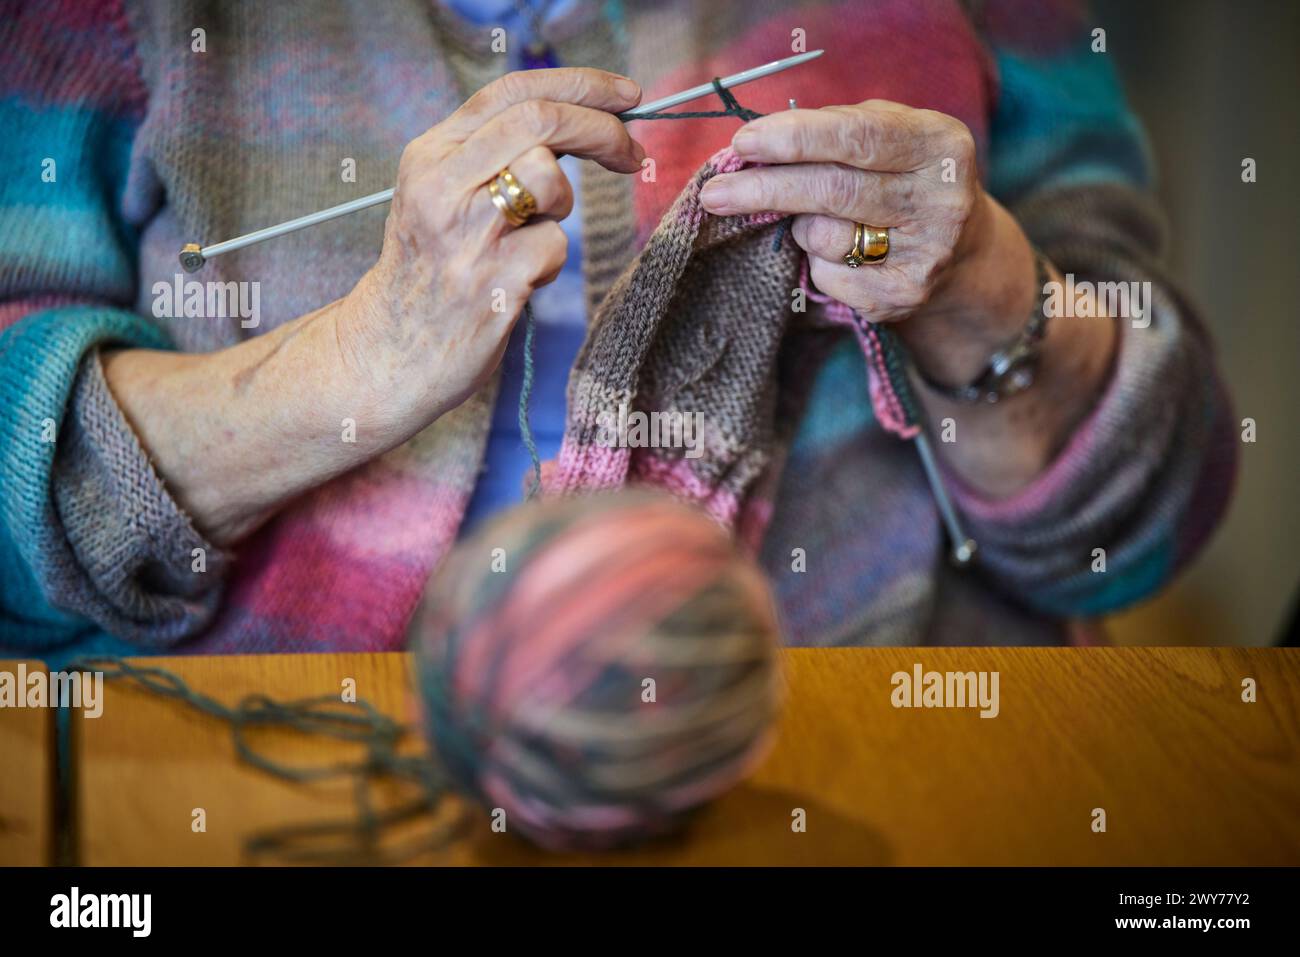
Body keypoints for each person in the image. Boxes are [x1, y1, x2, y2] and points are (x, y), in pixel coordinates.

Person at [0, 0, 1236, 655]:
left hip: (884, 773)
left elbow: (1146, 527)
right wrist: (358, 364)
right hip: (273, 782)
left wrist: (981, 290)